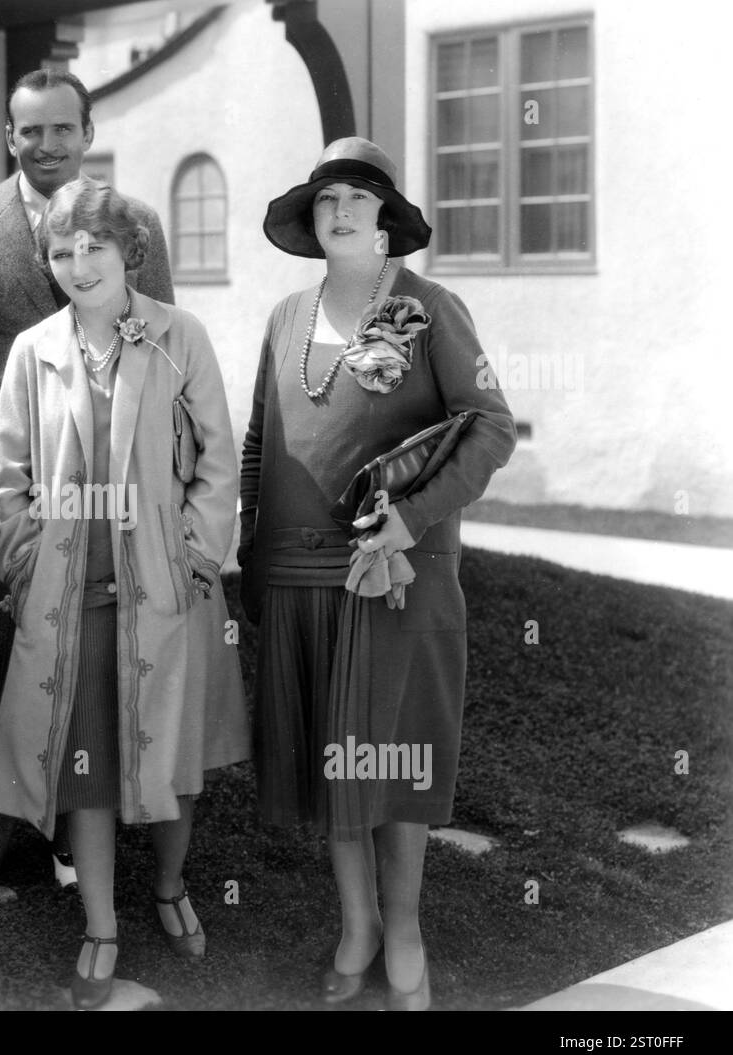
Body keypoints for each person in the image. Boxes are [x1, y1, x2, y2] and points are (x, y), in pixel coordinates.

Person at [241, 137, 517, 1010]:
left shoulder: (431, 308)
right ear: (312, 222)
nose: (343, 211)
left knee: (391, 756)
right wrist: (245, 546)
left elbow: (490, 425)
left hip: (396, 570)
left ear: (387, 218)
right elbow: (259, 445)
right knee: (335, 760)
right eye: (327, 200)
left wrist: (412, 517)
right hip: (297, 575)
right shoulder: (286, 317)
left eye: (360, 196)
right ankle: (355, 923)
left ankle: (403, 929)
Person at [0, 177, 248, 1009]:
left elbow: (217, 460)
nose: (78, 263)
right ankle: (101, 922)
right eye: (62, 251)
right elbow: (9, 478)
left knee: (176, 753)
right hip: (74, 599)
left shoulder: (179, 335)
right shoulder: (34, 349)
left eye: (94, 246)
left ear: (129, 250)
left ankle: (169, 885)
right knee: (85, 764)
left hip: (169, 589)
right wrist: (26, 564)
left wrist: (200, 559)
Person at [0, 69, 175, 912]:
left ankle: (72, 835)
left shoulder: (135, 224)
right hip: (22, 488)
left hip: (115, 494)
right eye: (29, 131)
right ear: (9, 135)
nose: (47, 145)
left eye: (62, 129)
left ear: (88, 131)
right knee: (0, 661)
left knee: (93, 665)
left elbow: (161, 344)